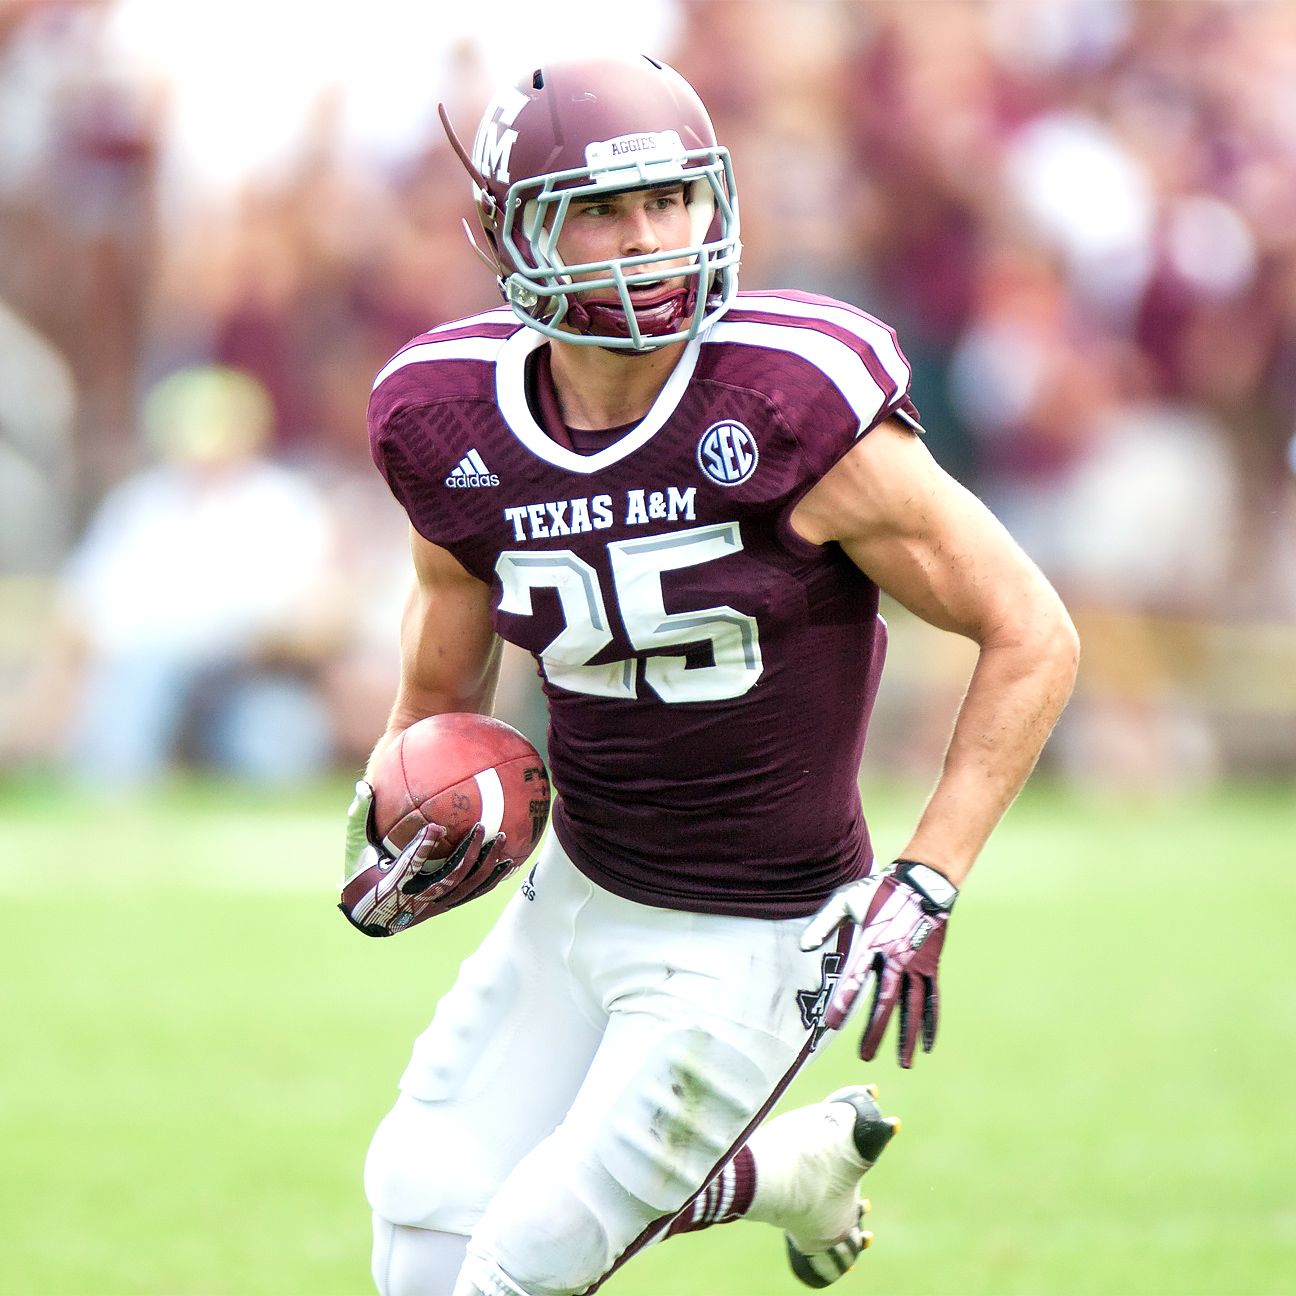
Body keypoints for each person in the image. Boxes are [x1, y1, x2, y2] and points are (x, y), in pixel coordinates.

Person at [340, 55, 1078, 1296]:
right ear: (515, 232)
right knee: (419, 1231)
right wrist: (402, 813)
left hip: (761, 930)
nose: (651, 240)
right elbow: (437, 690)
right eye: (601, 210)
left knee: (521, 1263)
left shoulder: (790, 400)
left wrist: (928, 880)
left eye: (671, 199)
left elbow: (1031, 631)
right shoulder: (448, 417)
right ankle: (785, 1172)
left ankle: (761, 1163)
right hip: (579, 891)